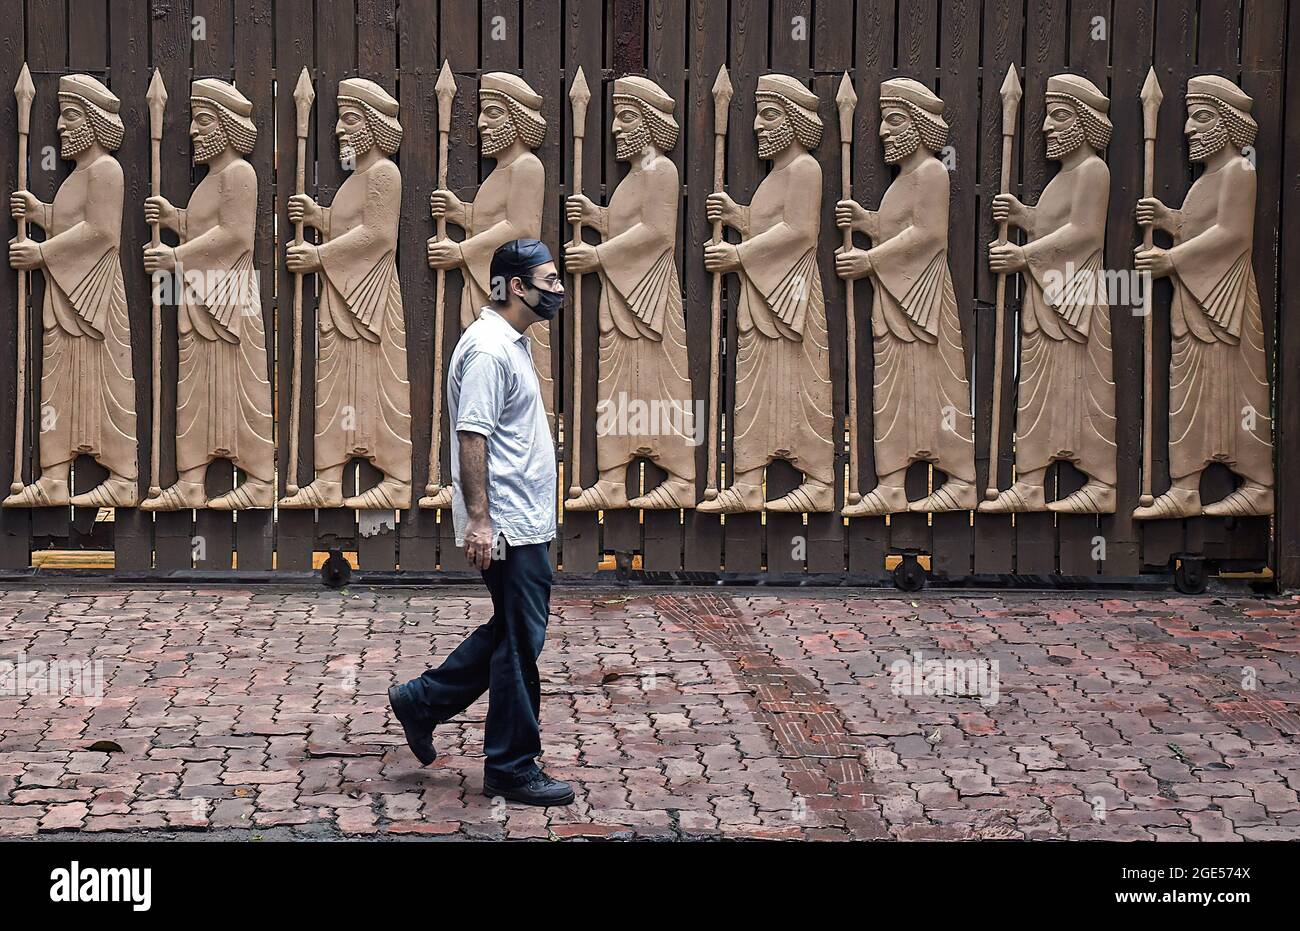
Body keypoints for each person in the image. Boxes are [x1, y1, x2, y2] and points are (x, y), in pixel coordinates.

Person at [388, 239, 573, 807]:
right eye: (549, 279)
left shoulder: (510, 343)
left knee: (512, 633)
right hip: (509, 525)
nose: (559, 289)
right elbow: (474, 436)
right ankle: (510, 766)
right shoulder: (491, 351)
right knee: (520, 643)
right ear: (517, 286)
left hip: (523, 519)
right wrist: (483, 522)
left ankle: (422, 701)